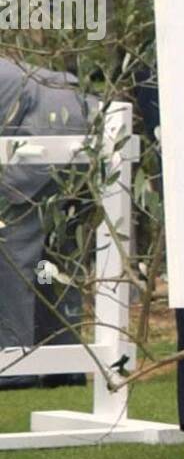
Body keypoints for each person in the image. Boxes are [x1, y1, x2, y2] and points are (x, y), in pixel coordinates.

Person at [0, 56, 97, 388]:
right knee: (57, 254)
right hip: (85, 112)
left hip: (46, 127)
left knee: (9, 248)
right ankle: (65, 363)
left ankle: (13, 363)